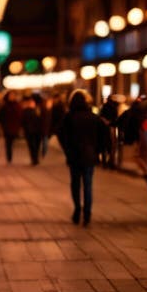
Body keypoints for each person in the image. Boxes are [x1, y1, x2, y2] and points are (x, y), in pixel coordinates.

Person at [59, 89, 107, 227]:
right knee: (88, 185)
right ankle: (87, 213)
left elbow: (60, 133)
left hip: (74, 156)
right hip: (89, 156)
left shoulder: (68, 117)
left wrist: (67, 149)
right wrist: (97, 150)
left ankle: (77, 209)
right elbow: (104, 135)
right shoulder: (93, 117)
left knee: (75, 184)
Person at [0, 91, 23, 163]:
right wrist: (0, 127)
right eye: (11, 96)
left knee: (12, 143)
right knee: (8, 143)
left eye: (13, 95)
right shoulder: (4, 106)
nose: (12, 97)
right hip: (7, 127)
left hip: (15, 127)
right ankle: (9, 158)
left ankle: (10, 157)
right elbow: (0, 117)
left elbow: (20, 117)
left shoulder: (17, 106)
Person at [21, 93, 44, 165]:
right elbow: (23, 121)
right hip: (29, 131)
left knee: (36, 145)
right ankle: (34, 159)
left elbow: (42, 120)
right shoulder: (26, 110)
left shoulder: (39, 110)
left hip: (37, 131)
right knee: (31, 145)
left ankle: (35, 158)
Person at [99, 94, 119, 168]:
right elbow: (116, 118)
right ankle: (111, 162)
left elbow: (100, 116)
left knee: (104, 144)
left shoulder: (104, 106)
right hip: (111, 128)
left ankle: (104, 162)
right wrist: (111, 122)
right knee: (111, 145)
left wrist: (105, 121)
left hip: (104, 128)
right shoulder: (114, 107)